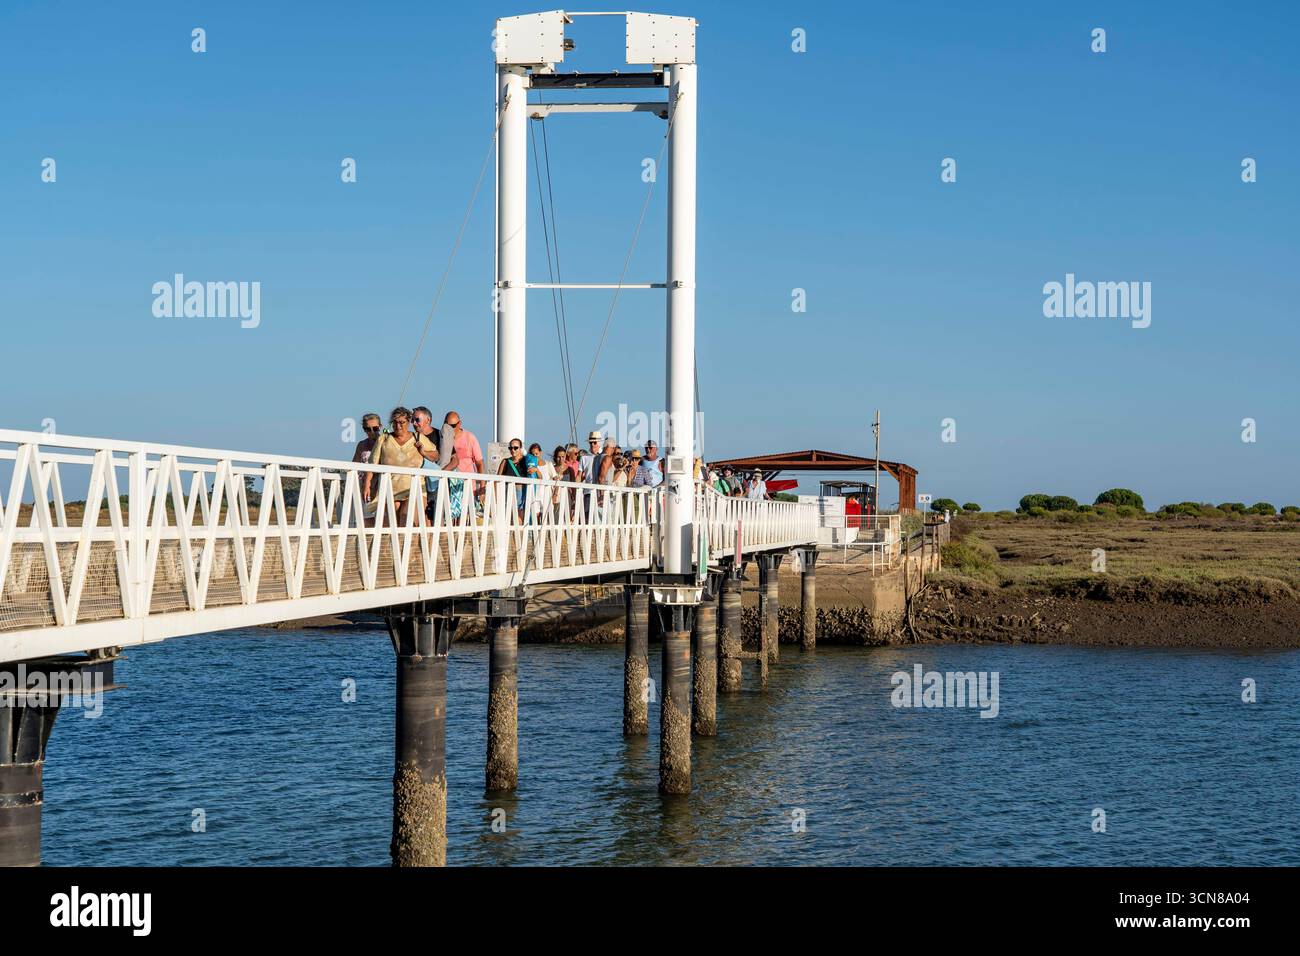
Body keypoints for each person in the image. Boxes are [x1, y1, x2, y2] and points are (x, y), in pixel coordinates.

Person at [363, 407, 437, 526]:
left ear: (408, 422)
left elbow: (435, 456)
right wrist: (367, 485)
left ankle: (416, 543)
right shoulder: (384, 439)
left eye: (402, 422)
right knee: (392, 526)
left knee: (406, 517)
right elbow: (372, 465)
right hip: (390, 490)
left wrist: (423, 452)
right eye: (395, 422)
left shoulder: (418, 437)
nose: (398, 426)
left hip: (414, 488)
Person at [444, 410, 483, 519]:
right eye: (446, 425)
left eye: (452, 426)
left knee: (465, 517)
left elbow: (479, 463)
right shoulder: (442, 437)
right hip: (447, 484)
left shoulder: (470, 437)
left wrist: (482, 487)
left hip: (467, 485)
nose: (449, 429)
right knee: (447, 517)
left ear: (459, 423)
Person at [498, 438, 529, 519]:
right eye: (510, 448)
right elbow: (497, 479)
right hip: (506, 493)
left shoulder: (526, 461)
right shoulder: (505, 461)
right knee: (506, 517)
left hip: (521, 492)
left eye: (515, 448)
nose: (513, 450)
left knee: (518, 518)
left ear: (521, 448)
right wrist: (496, 495)